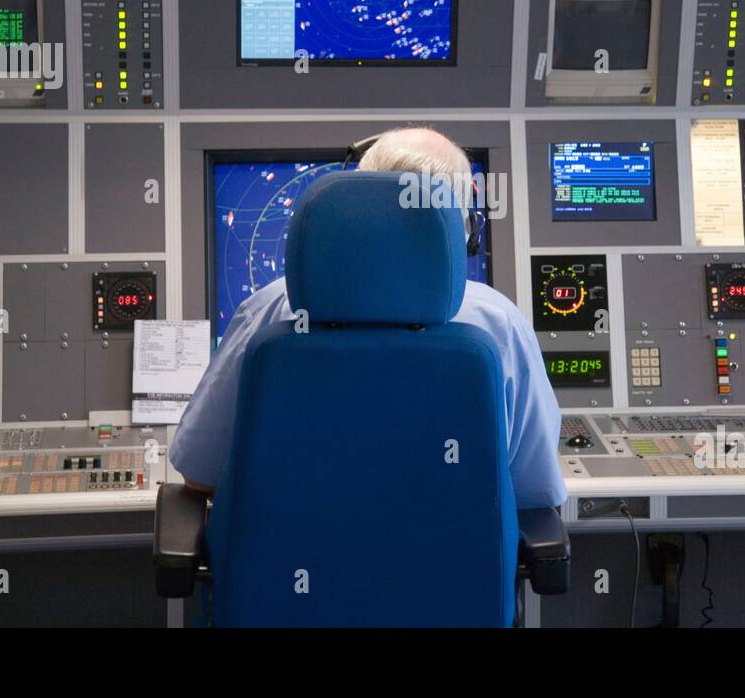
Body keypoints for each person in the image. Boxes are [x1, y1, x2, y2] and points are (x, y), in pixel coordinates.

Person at [171, 127, 567, 509]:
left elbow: (200, 475)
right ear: (465, 221)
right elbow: (535, 493)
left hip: (284, 574)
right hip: (451, 575)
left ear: (355, 201)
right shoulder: (499, 325)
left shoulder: (269, 312)